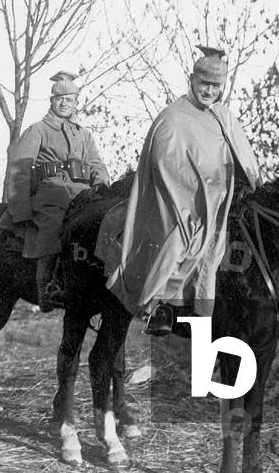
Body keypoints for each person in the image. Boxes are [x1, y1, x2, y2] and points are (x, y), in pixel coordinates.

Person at [106, 46, 260, 336]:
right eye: (205, 84)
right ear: (192, 79)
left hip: (222, 201)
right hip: (182, 202)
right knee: (183, 237)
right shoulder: (172, 118)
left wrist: (246, 182)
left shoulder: (223, 117)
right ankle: (161, 305)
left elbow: (245, 160)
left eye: (216, 86)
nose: (209, 91)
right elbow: (166, 166)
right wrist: (204, 188)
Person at [0, 71, 110, 312]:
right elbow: (20, 170)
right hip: (49, 194)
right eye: (60, 99)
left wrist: (101, 182)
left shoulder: (84, 135)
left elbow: (96, 163)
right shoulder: (37, 130)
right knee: (54, 225)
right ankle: (46, 288)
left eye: (69, 100)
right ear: (52, 101)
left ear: (75, 103)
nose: (64, 104)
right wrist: (20, 210)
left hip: (83, 193)